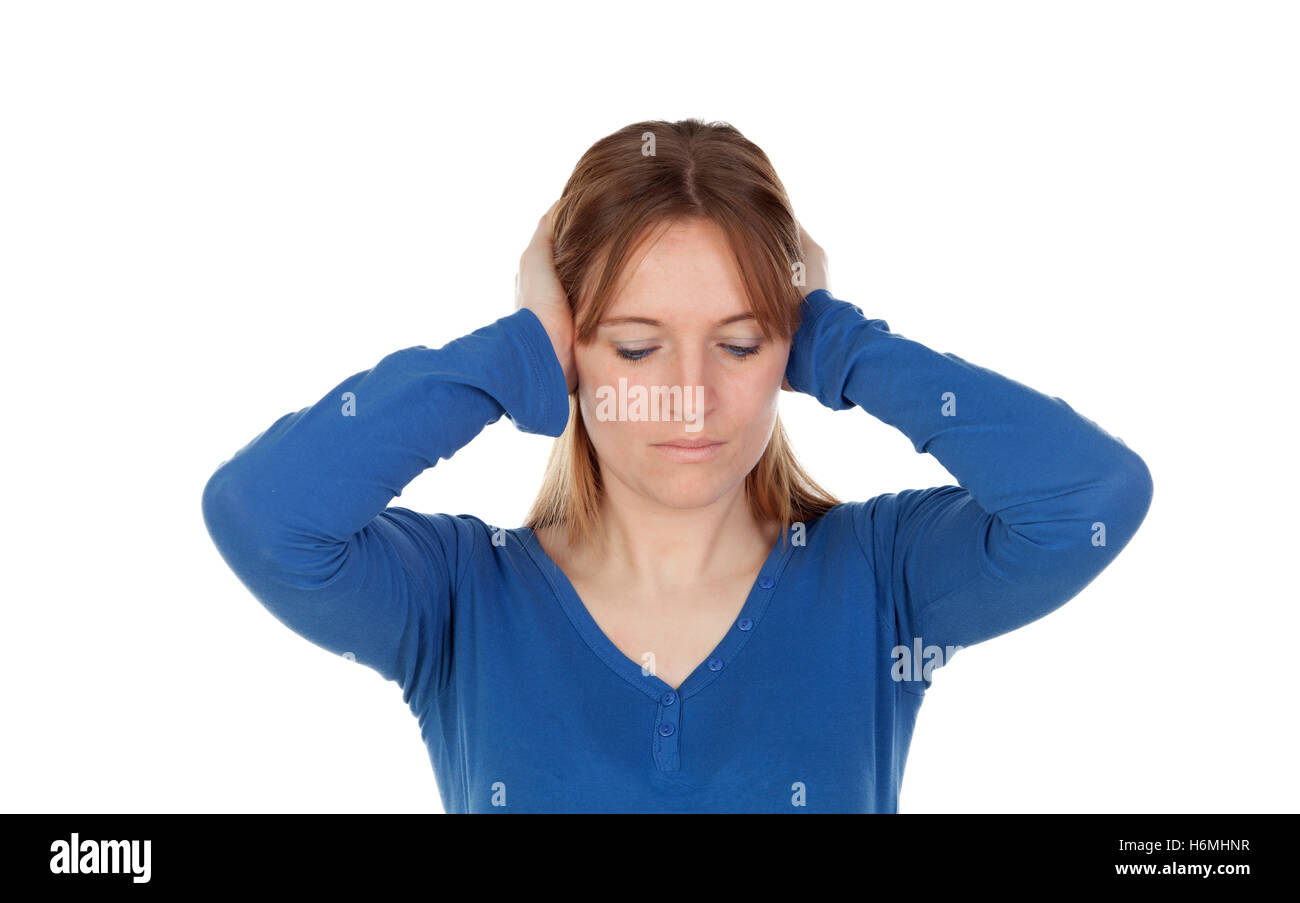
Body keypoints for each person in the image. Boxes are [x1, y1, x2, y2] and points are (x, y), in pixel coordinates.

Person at [201, 119, 1153, 813]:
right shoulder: (457, 598)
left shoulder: (881, 576)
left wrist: (837, 341)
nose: (689, 398)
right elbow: (263, 512)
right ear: (572, 352)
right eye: (635, 346)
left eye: (740, 345)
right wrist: (518, 350)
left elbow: (1091, 497)